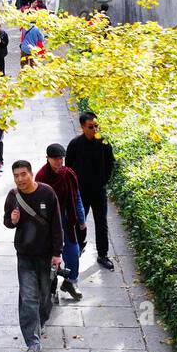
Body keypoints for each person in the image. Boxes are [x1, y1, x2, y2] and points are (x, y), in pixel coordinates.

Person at [3, 160, 63, 352]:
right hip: (25, 256)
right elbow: (7, 222)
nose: (19, 179)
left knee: (45, 299)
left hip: (46, 256)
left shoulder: (47, 193)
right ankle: (32, 342)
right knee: (28, 299)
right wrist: (12, 220)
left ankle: (40, 321)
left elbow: (56, 224)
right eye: (16, 175)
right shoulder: (13, 196)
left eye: (23, 174)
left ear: (31, 174)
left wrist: (57, 252)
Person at [65, 110, 116, 269]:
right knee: (80, 220)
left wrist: (104, 181)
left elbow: (110, 164)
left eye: (96, 126)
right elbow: (69, 168)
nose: (94, 129)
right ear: (82, 127)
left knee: (102, 222)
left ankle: (102, 254)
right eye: (91, 126)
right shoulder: (75, 144)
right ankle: (79, 246)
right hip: (81, 191)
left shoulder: (104, 143)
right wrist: (74, 188)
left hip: (99, 190)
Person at [36, 144, 85, 301]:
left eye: (61, 159)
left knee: (73, 253)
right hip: (49, 222)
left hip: (66, 219)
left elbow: (76, 197)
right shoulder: (41, 176)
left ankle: (70, 282)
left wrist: (81, 219)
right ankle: (51, 288)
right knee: (53, 257)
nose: (59, 162)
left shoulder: (68, 174)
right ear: (48, 159)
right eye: (55, 159)